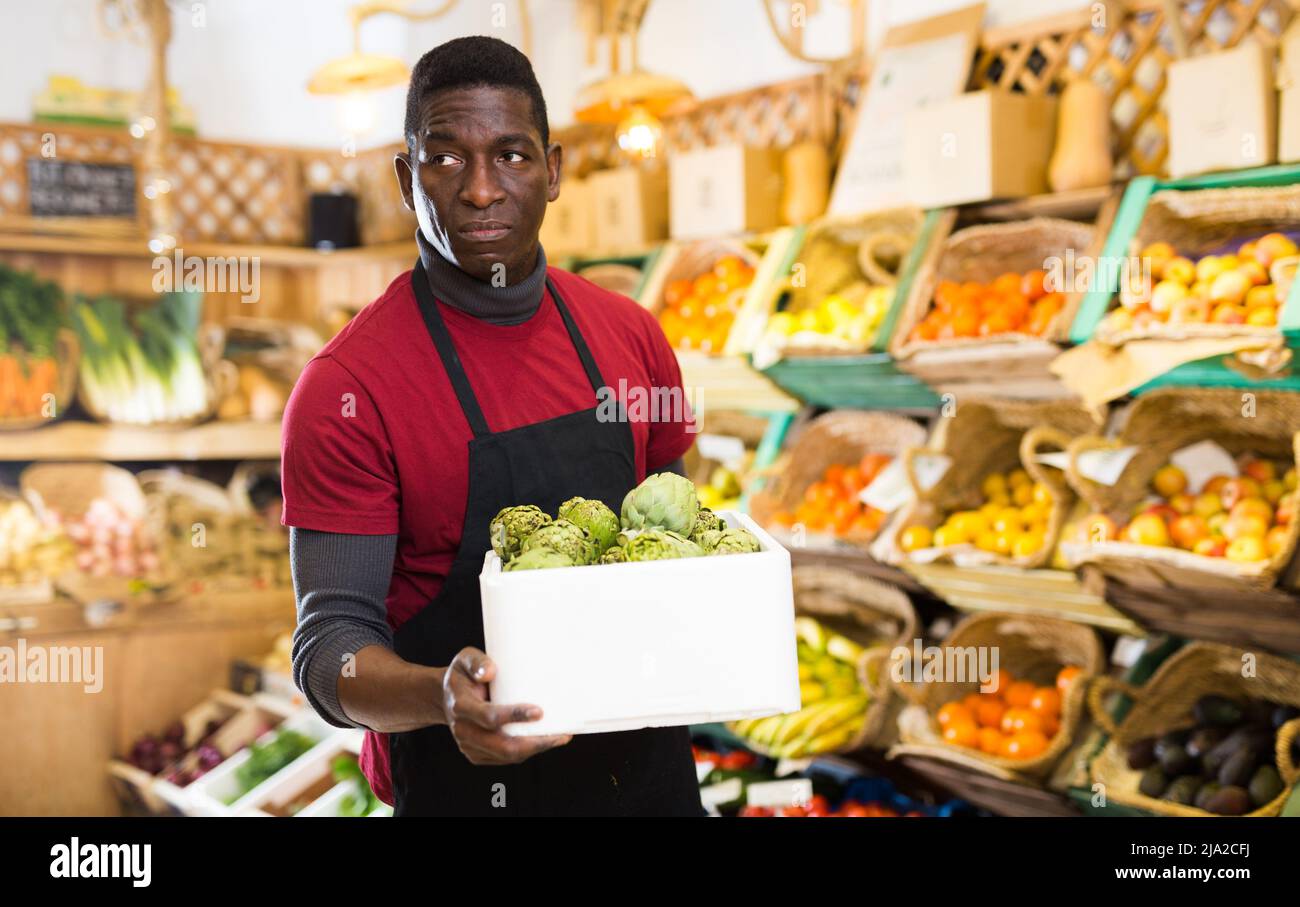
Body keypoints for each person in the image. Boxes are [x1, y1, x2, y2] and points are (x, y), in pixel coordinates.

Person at [282, 35, 702, 816]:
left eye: (511, 154)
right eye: (445, 160)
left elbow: (684, 523)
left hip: (651, 776)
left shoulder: (633, 334)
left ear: (555, 168)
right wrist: (442, 698)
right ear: (408, 180)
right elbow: (328, 649)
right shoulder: (345, 389)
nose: (481, 190)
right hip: (466, 787)